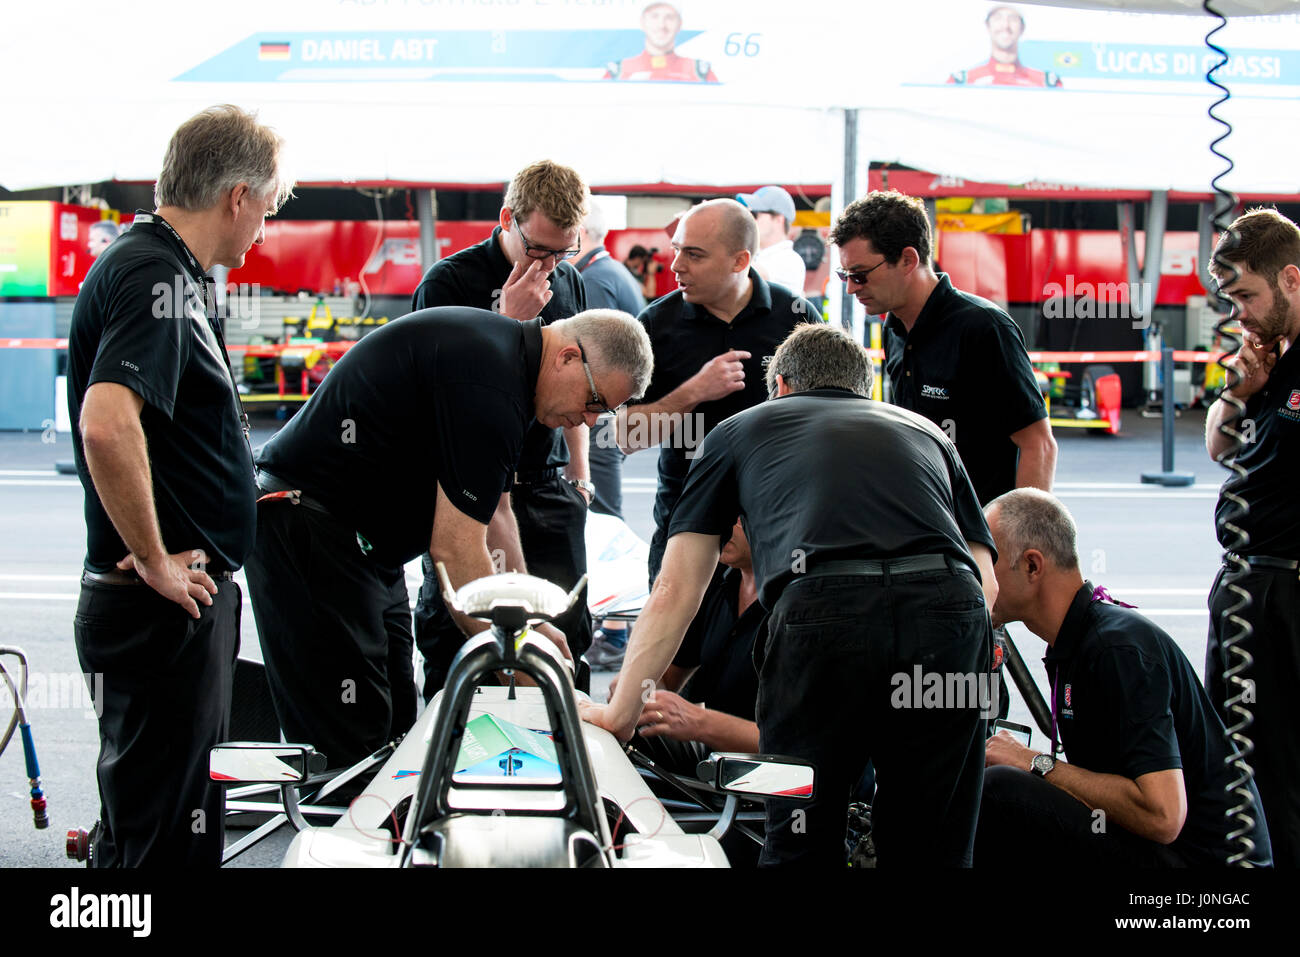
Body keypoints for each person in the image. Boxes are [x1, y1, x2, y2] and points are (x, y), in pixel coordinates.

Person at [584, 323, 999, 868]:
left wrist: (619, 711)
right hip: (951, 607)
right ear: (863, 389)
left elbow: (677, 585)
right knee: (932, 844)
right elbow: (986, 580)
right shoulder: (925, 432)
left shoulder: (738, 429)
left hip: (824, 608)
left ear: (779, 385)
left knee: (802, 835)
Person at [245, 309, 653, 770]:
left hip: (364, 546)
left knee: (398, 729)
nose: (585, 422)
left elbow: (496, 513)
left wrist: (527, 620)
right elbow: (455, 549)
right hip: (311, 530)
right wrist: (525, 671)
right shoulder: (489, 385)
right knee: (352, 749)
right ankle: (338, 831)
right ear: (568, 357)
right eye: (593, 401)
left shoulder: (510, 369)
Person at [67, 104, 292, 866]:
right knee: (161, 849)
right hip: (158, 608)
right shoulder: (151, 274)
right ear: (236, 197)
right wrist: (156, 556)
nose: (261, 231)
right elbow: (106, 422)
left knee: (160, 828)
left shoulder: (168, 272)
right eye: (263, 210)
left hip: (173, 609)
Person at [975, 489, 1272, 866]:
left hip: (1203, 867)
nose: (979, 578)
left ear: (1033, 566)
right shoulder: (1076, 639)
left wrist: (1034, 762)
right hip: (1164, 850)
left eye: (988, 562)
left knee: (1001, 791)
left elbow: (1163, 816)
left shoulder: (1117, 650)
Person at [410, 160, 596, 698]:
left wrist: (580, 477)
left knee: (563, 635)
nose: (549, 264)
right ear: (507, 219)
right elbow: (442, 401)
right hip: (470, 487)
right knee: (466, 637)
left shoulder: (570, 280)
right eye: (538, 250)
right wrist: (508, 320)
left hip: (545, 481)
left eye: (564, 251)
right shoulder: (450, 282)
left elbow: (579, 381)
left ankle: (568, 760)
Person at [618, 198, 818, 593]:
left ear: (739, 261)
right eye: (677, 250)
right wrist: (695, 390)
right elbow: (627, 438)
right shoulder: (656, 324)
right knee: (676, 648)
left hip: (774, 524)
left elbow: (823, 425)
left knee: (766, 650)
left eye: (693, 255)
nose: (676, 266)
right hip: (685, 526)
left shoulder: (796, 317)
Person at [833, 190, 1056, 506]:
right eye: (845, 275)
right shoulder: (894, 329)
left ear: (908, 259)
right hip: (927, 526)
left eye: (860, 275)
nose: (851, 287)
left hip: (980, 537)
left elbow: (1039, 444)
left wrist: (1016, 544)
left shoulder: (983, 327)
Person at [1202, 207, 1300, 867]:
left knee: (1283, 775)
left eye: (1245, 295)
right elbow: (1217, 444)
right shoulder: (1267, 356)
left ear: (1291, 278)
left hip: (1287, 589)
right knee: (1234, 767)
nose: (1237, 312)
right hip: (1242, 584)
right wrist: (1242, 387)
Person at [615, 518, 764, 773]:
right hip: (717, 759)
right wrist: (639, 691)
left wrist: (699, 722)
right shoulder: (718, 579)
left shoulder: (797, 606)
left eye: (737, 516)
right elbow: (666, 677)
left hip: (776, 778)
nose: (722, 523)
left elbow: (802, 745)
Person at [574, 204, 646, 519]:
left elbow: (593, 360)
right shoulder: (613, 271)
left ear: (580, 233)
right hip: (619, 408)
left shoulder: (593, 280)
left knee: (599, 513)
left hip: (603, 414)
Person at [947, 5, 1062, 88]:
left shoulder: (1046, 83)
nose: (1005, 25)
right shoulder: (962, 82)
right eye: (998, 18)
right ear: (988, 26)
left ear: (1022, 28)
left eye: (1012, 19)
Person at [604, 2, 718, 83]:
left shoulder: (699, 73)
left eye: (669, 17)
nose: (661, 25)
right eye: (654, 17)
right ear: (642, 22)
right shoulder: (618, 73)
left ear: (679, 24)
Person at [736, 185, 806, 296]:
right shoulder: (757, 255)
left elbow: (754, 275)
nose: (750, 219)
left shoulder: (791, 260)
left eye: (754, 214)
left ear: (779, 219)